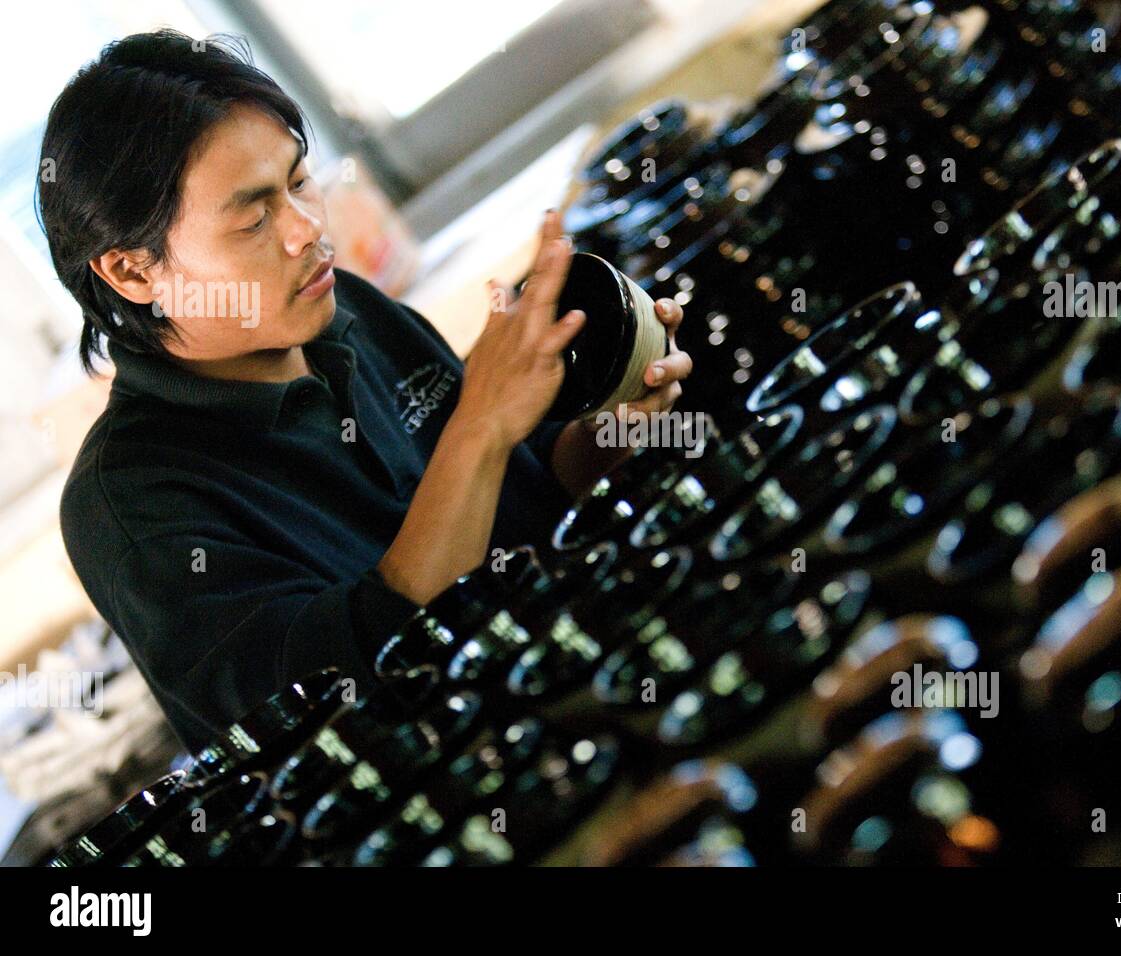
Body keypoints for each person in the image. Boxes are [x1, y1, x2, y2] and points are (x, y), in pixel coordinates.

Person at [38, 30, 692, 752]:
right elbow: (341, 705)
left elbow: (523, 498)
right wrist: (478, 427)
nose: (308, 229)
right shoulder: (130, 508)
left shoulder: (345, 309)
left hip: (584, 687)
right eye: (254, 217)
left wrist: (612, 433)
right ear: (132, 273)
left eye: (298, 181)